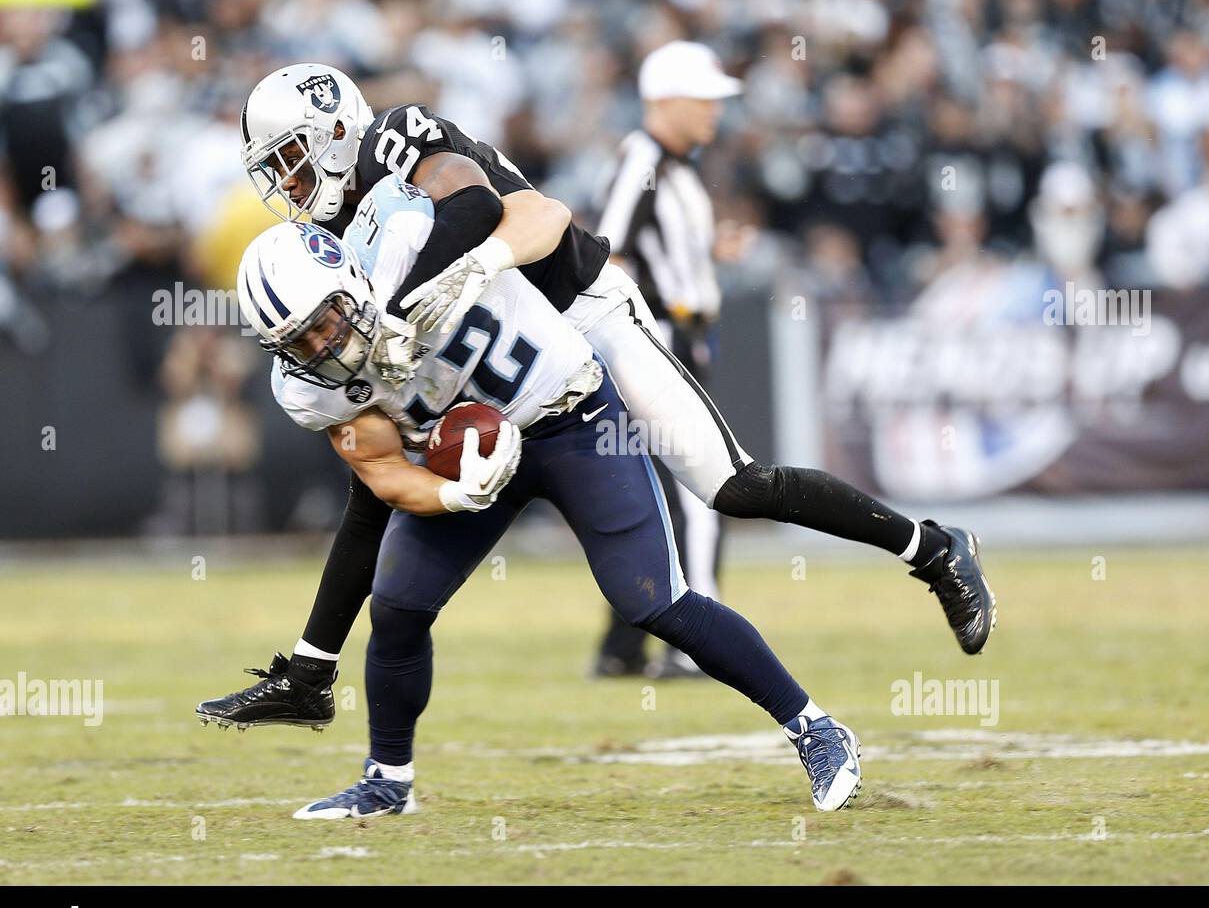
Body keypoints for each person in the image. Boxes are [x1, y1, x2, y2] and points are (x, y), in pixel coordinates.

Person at [197, 61, 995, 732]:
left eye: (293, 159)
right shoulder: (328, 233)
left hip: (579, 313)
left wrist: (406, 304)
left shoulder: (395, 136)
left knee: (733, 484)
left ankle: (932, 548)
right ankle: (311, 672)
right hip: (491, 354)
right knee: (374, 476)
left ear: (334, 131)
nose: (290, 183)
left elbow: (476, 207)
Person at [226, 193, 861, 815]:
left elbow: (540, 212)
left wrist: (482, 260)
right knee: (396, 605)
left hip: (570, 418)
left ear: (347, 284)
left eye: (326, 322)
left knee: (651, 599)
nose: (323, 348)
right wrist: (454, 492)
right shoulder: (310, 389)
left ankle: (814, 728)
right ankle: (387, 780)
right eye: (300, 342)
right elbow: (383, 471)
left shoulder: (408, 238)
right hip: (472, 455)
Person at [588, 41, 738, 679]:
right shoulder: (645, 159)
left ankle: (624, 645)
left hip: (683, 337)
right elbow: (608, 251)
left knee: (658, 490)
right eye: (702, 99)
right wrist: (639, 335)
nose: (714, 112)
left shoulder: (675, 167)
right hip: (664, 341)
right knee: (705, 486)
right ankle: (694, 639)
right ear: (665, 100)